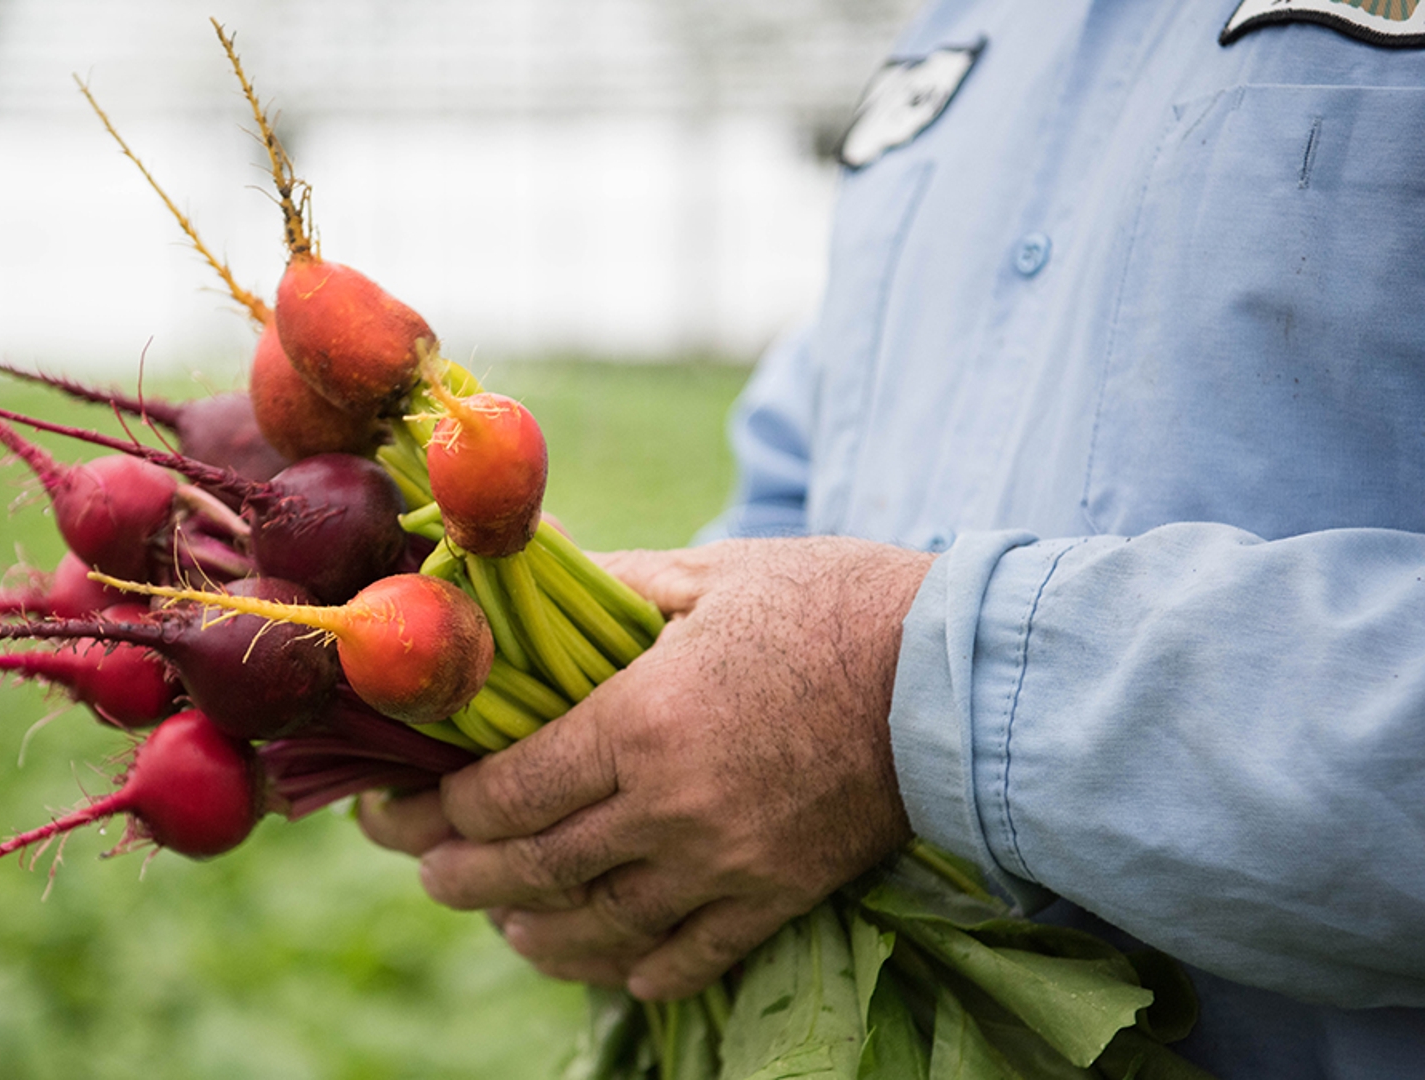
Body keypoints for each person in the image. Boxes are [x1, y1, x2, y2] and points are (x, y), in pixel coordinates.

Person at [358, 2, 1425, 1076]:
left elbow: (862, 667)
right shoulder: (967, 23)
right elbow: (804, 470)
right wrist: (637, 765)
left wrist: (906, 692)